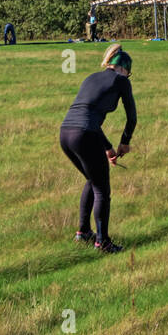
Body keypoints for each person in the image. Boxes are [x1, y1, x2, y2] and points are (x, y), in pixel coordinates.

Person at [59, 43, 137, 253]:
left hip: (66, 132)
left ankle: (83, 232)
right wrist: (125, 142)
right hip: (85, 133)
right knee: (102, 189)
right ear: (124, 69)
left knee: (92, 180)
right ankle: (102, 242)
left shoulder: (91, 77)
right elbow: (132, 116)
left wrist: (108, 148)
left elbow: (88, 117)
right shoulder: (121, 81)